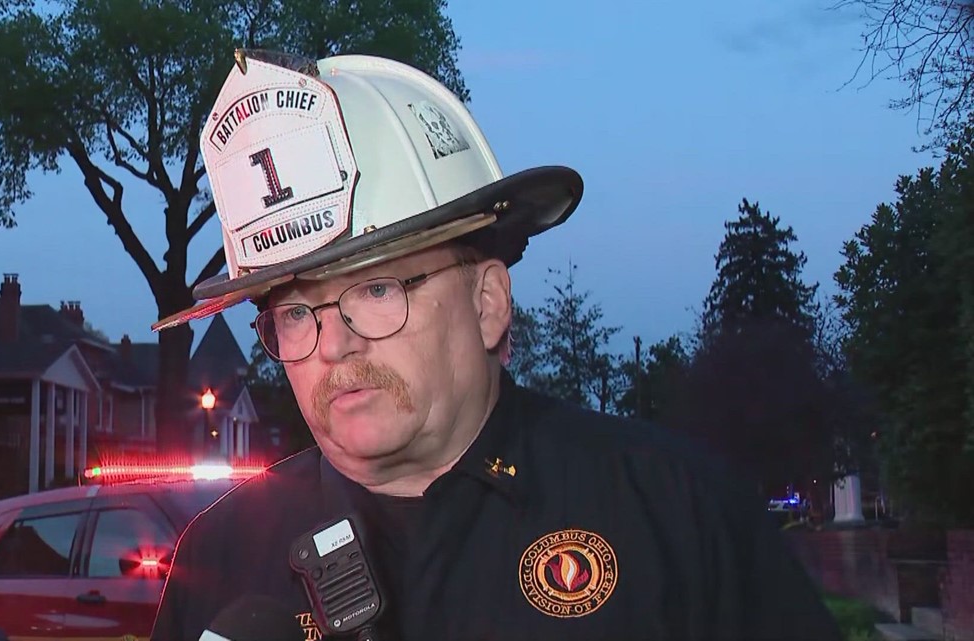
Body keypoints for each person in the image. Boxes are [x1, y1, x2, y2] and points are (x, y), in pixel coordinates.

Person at [149, 49, 842, 641]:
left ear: (487, 303)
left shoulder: (675, 511)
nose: (333, 344)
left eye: (378, 290)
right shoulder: (219, 558)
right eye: (297, 312)